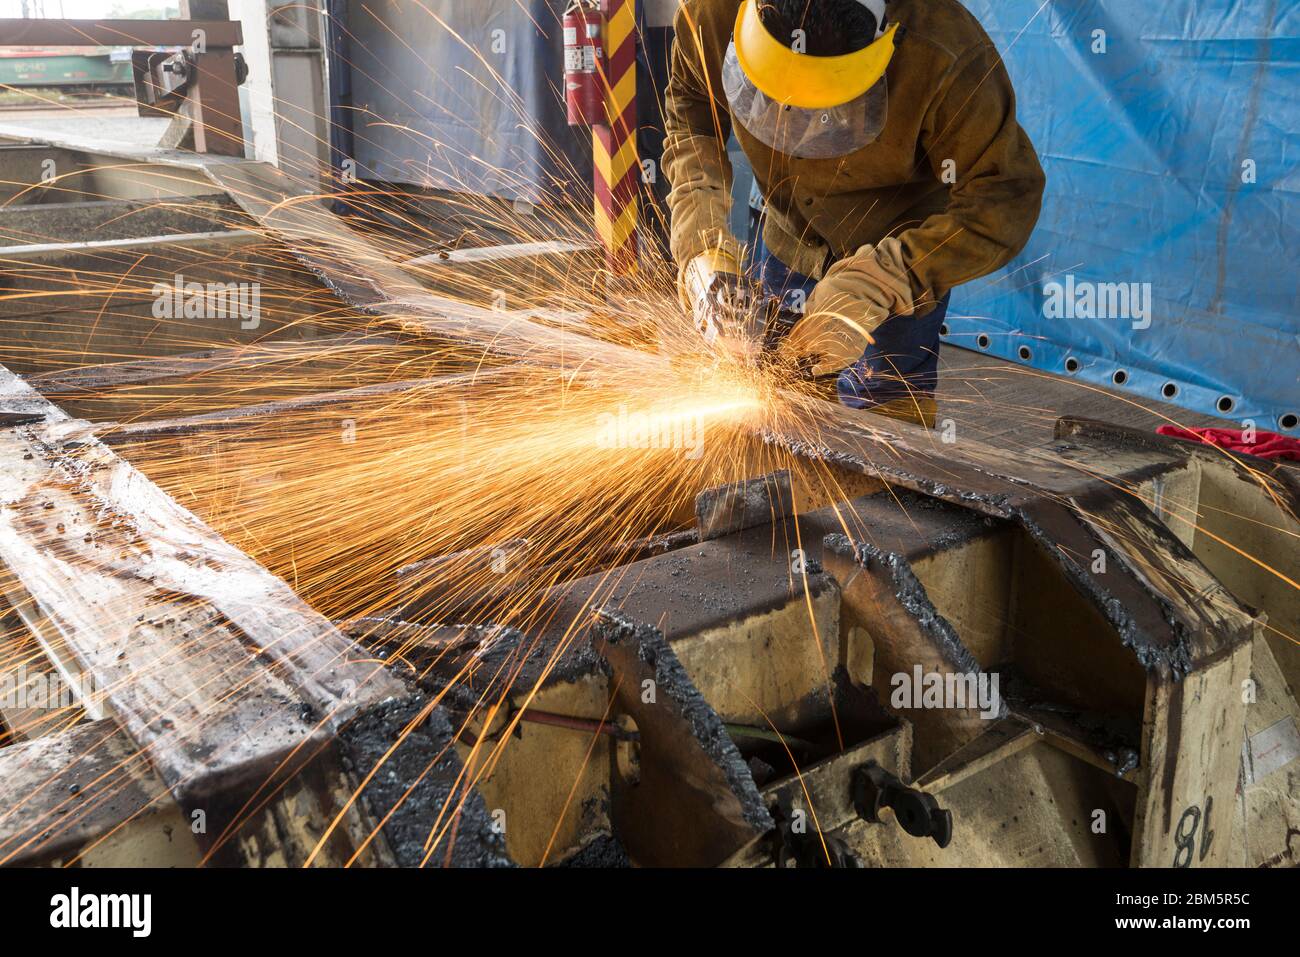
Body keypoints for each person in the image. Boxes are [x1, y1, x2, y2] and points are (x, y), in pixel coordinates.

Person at [665, 0, 1045, 426]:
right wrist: (703, 251)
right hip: (789, 236)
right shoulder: (711, 13)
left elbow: (1006, 193)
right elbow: (692, 117)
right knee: (775, 406)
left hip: (899, 253)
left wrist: (885, 279)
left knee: (888, 427)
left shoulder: (945, 51)